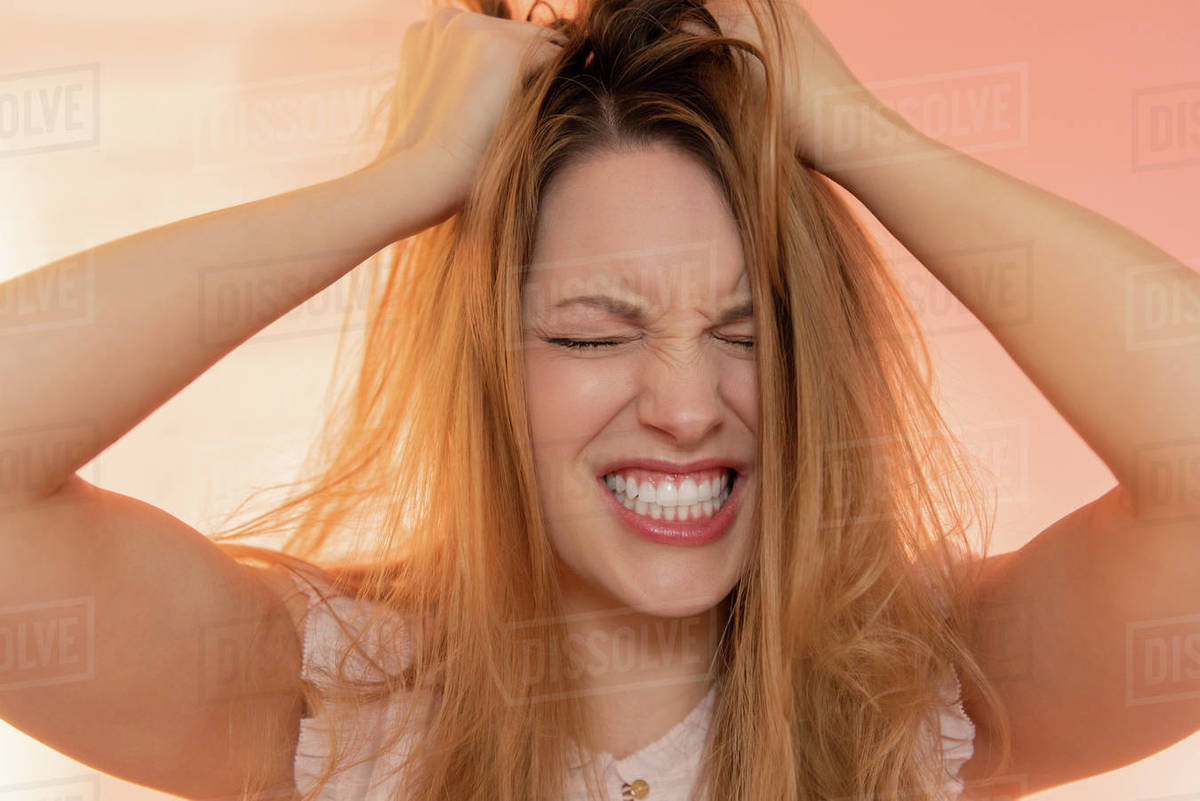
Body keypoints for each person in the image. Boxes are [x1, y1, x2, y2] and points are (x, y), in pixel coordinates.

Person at [1, 0, 1196, 799]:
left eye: (745, 332)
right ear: (489, 367)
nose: (687, 407)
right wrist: (402, 183)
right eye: (590, 332)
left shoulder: (926, 693)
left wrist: (855, 132)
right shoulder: (325, 696)